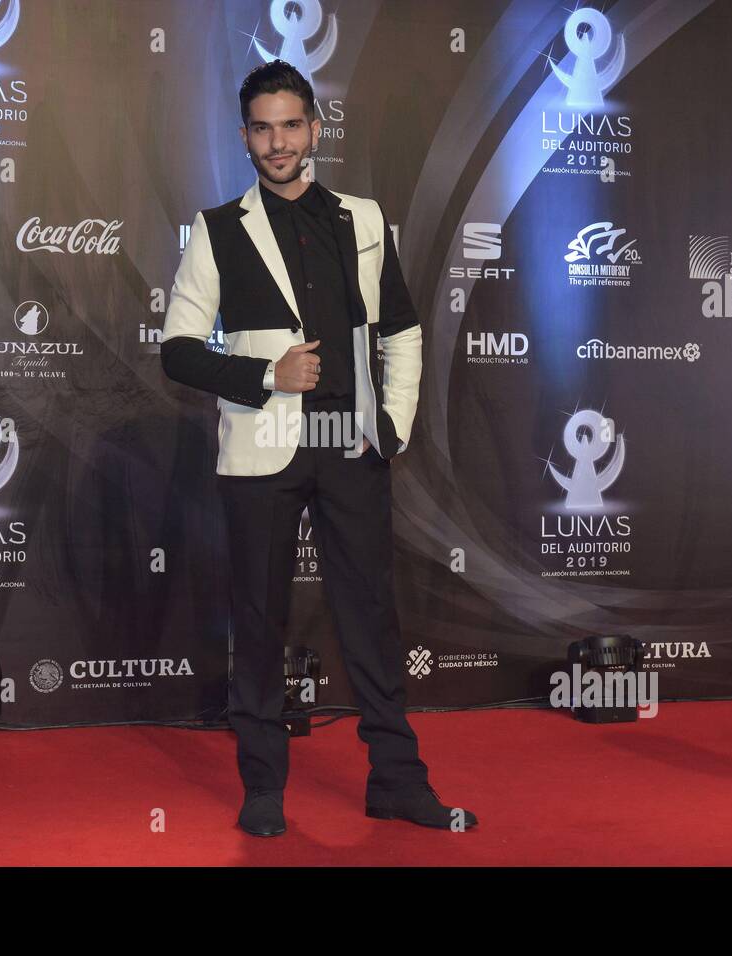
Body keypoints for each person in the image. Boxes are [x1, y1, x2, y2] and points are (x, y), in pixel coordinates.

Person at [161, 59, 477, 837]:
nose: (278, 141)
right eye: (262, 128)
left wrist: (393, 426)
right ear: (244, 137)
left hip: (351, 445)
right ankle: (264, 787)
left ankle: (397, 781)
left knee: (370, 615)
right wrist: (267, 373)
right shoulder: (218, 228)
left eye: (291, 125)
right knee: (259, 617)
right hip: (262, 445)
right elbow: (176, 350)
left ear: (315, 129)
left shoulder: (362, 219)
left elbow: (400, 327)